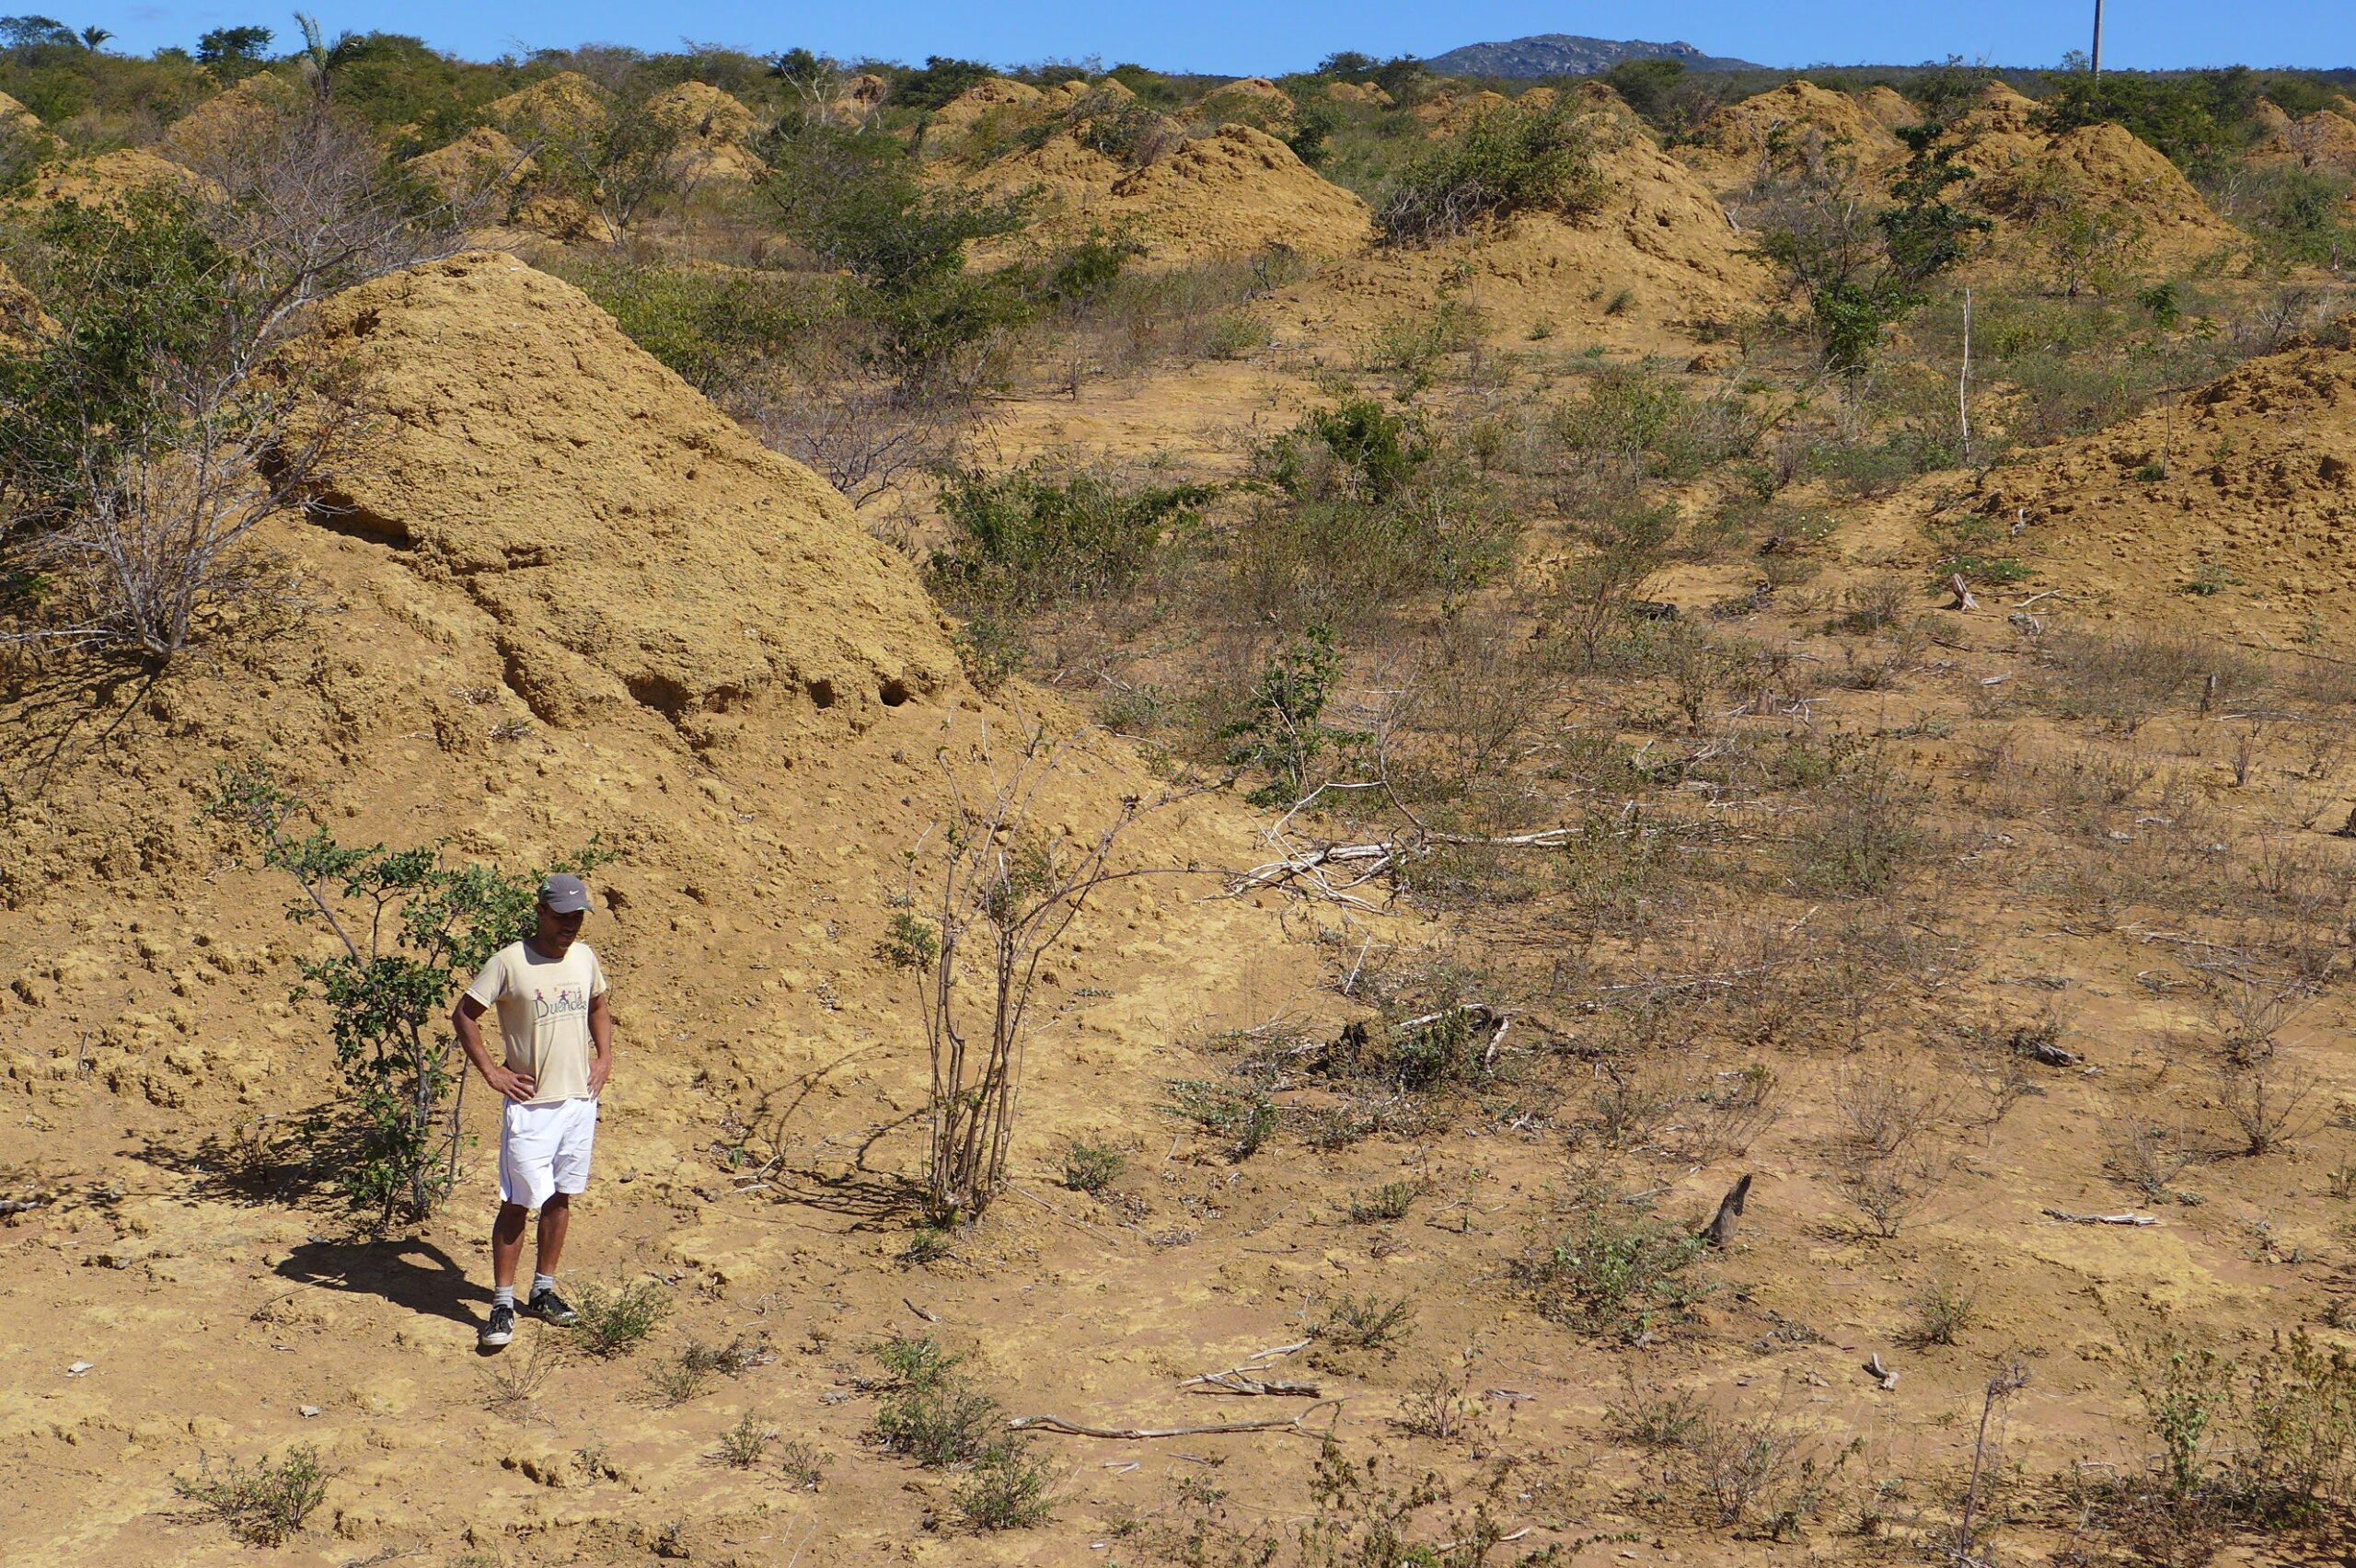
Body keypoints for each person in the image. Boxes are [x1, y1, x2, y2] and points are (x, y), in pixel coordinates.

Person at [453, 872, 614, 1349]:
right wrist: (493, 1074)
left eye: (578, 917)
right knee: (518, 1201)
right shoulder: (508, 962)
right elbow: (465, 1015)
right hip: (531, 1107)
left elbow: (598, 1005)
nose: (570, 926)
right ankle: (502, 1303)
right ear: (541, 912)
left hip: (579, 1101)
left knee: (562, 1195)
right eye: (562, 917)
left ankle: (543, 1291)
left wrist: (604, 1058)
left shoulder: (584, 957)